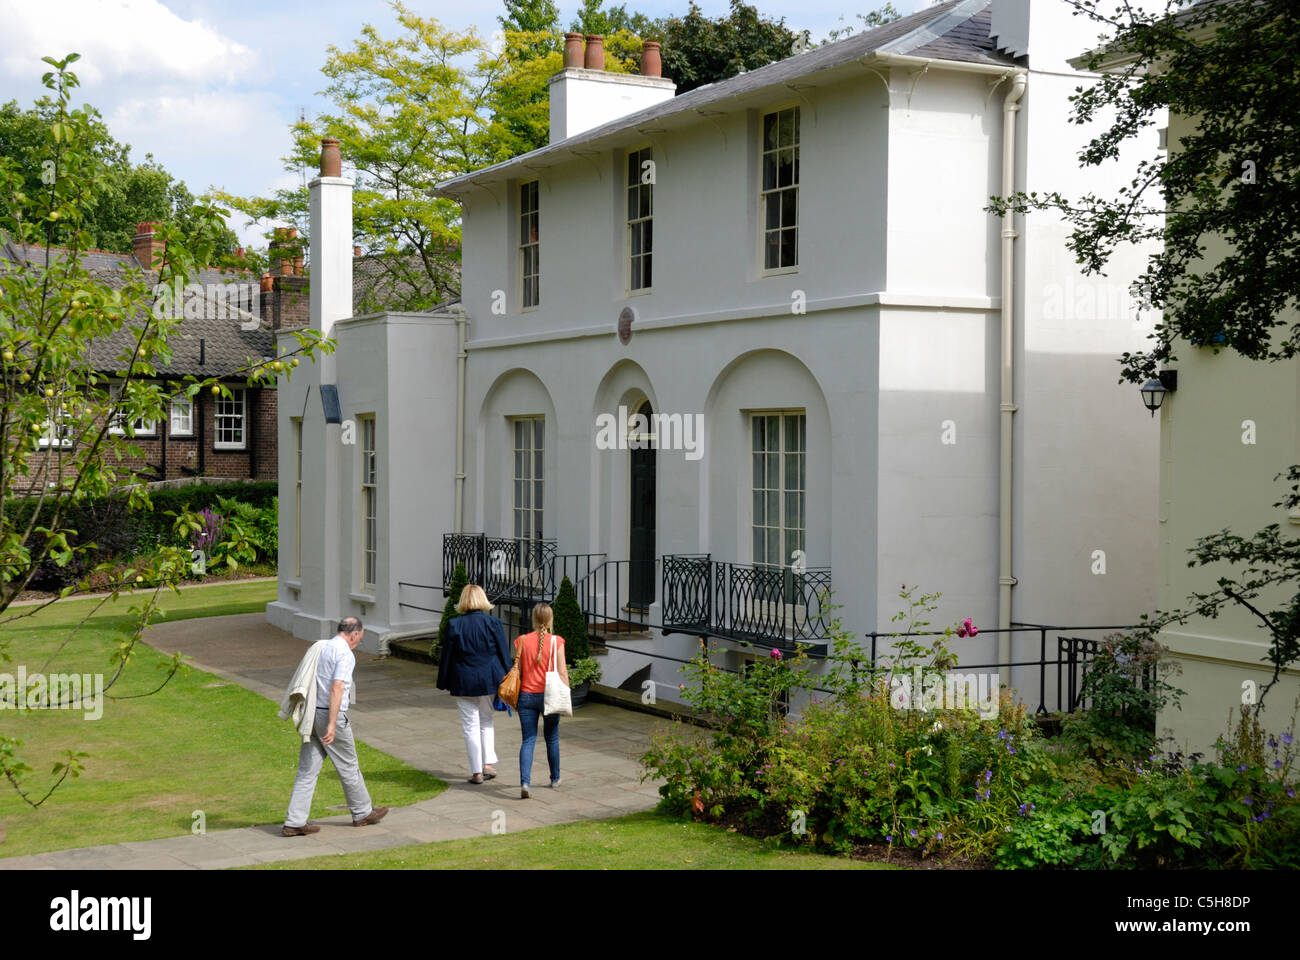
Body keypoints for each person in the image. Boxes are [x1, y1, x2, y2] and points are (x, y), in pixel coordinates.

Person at [281, 617, 388, 835]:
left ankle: (294, 821)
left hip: (312, 714)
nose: (359, 642)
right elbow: (337, 687)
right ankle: (362, 812)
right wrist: (331, 724)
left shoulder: (322, 647)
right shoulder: (345, 654)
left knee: (306, 770)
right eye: (360, 638)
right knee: (348, 764)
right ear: (354, 634)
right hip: (330, 715)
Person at [436, 584, 511, 783]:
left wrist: (442, 681)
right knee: (486, 720)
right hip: (490, 679)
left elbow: (447, 657)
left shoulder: (454, 625)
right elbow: (504, 653)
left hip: (464, 680)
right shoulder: (493, 623)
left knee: (470, 725)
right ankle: (488, 764)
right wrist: (510, 676)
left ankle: (477, 771)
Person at [514, 603, 568, 799]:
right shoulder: (557, 642)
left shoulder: (521, 640)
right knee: (551, 738)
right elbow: (562, 672)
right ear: (550, 619)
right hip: (550, 696)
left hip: (526, 696)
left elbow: (518, 671)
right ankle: (555, 778)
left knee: (528, 740)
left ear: (534, 619)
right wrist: (565, 696)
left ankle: (525, 782)